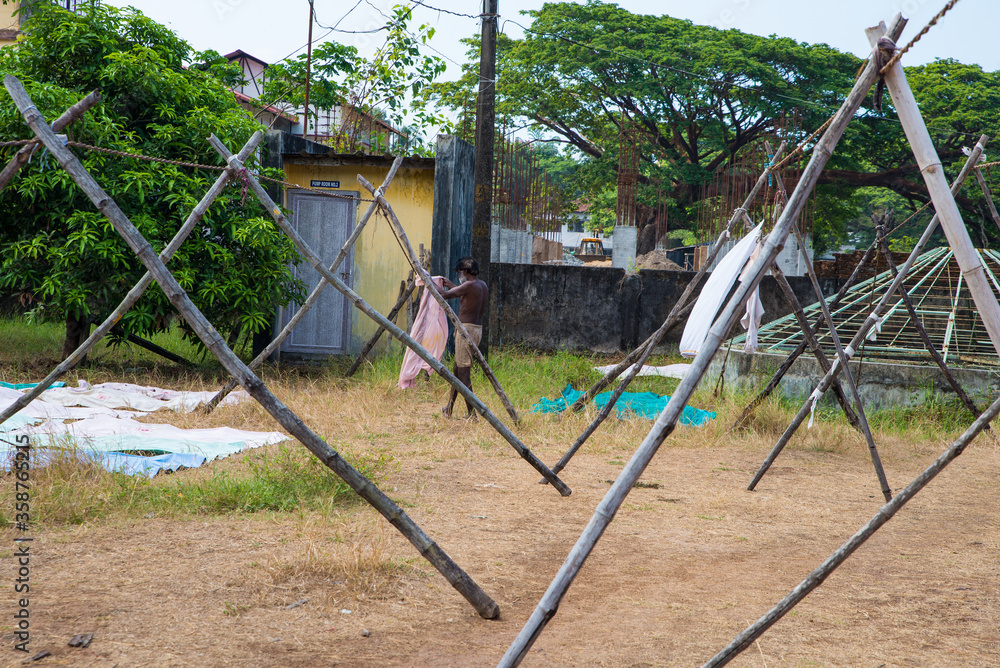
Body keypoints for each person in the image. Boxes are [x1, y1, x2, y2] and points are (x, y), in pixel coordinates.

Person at [439, 257, 488, 419]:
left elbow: (445, 295)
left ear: (465, 272)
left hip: (465, 331)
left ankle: (471, 414)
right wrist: (452, 286)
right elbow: (465, 296)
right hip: (476, 330)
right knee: (457, 370)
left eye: (460, 272)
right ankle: (449, 408)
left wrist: (428, 282)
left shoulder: (467, 285)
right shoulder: (481, 285)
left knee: (464, 372)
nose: (459, 275)